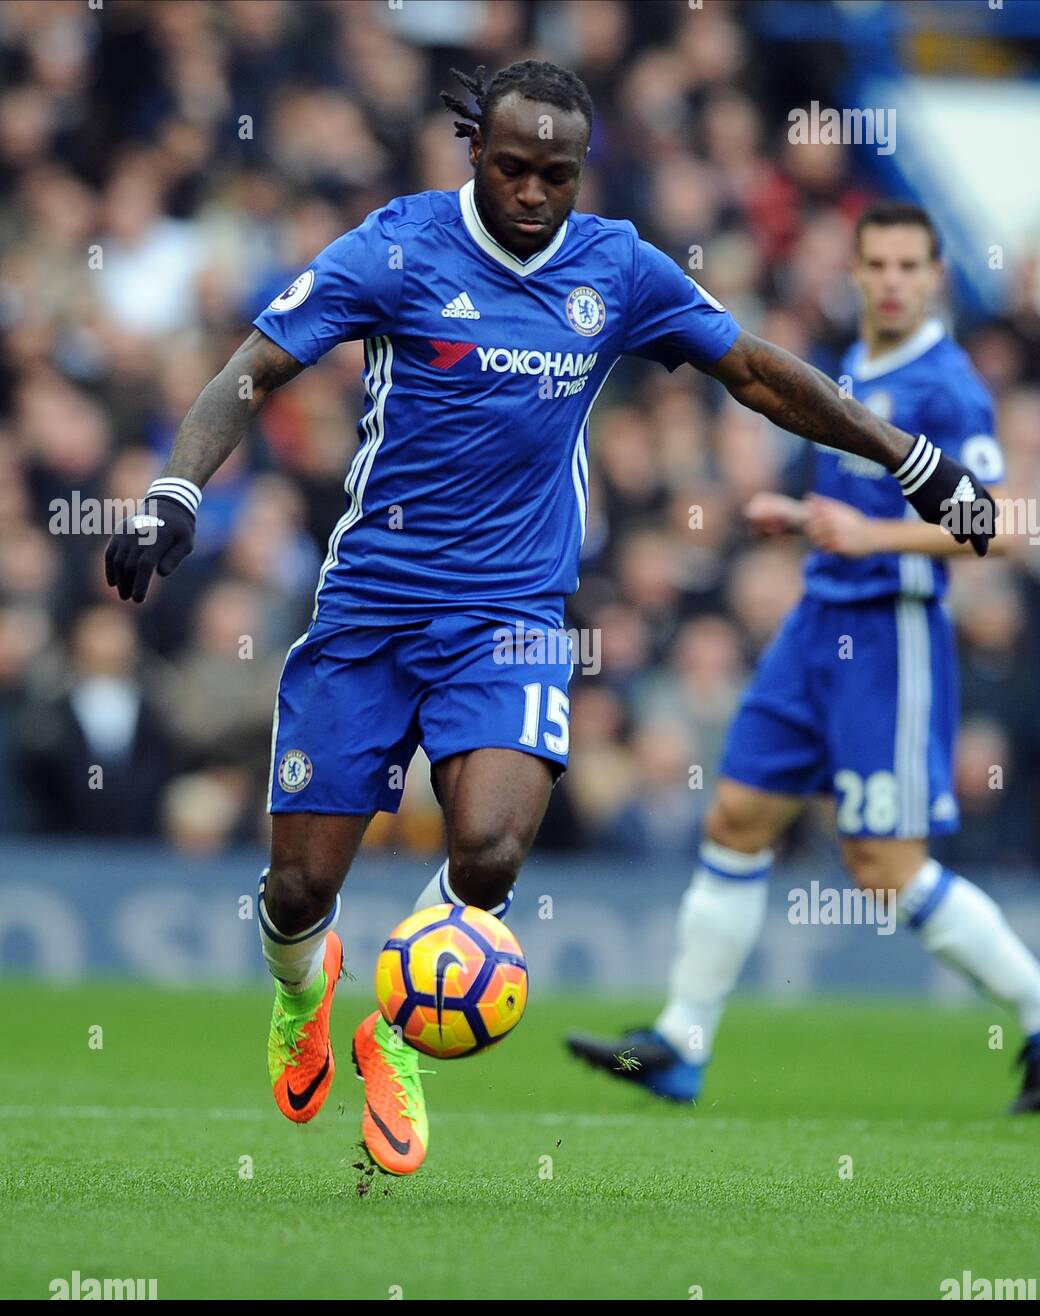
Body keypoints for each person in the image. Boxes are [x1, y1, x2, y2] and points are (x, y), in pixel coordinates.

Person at [105, 68, 994, 1177]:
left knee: (488, 851)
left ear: (583, 169)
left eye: (556, 174)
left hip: (512, 611)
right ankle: (303, 994)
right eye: (512, 167)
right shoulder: (396, 248)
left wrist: (910, 460)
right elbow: (255, 368)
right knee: (298, 892)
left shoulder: (616, 265)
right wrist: (173, 494)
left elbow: (758, 374)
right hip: (373, 606)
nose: (532, 192)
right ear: (472, 150)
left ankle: (397, 1030)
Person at [567, 203, 1040, 1116]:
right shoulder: (852, 366)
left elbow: (1001, 530)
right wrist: (809, 522)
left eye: (907, 266)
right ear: (854, 273)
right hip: (816, 624)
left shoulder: (948, 387)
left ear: (934, 278)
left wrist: (866, 532)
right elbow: (852, 509)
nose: (890, 280)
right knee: (734, 819)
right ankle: (683, 1042)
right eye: (875, 264)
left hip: (889, 636)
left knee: (882, 866)